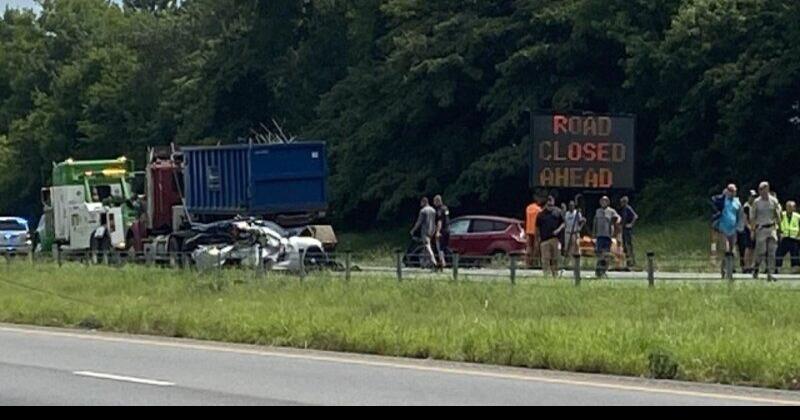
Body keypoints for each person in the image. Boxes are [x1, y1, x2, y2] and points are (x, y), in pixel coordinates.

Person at [750, 182, 781, 281]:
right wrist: (752, 230)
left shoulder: (774, 201)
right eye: (760, 189)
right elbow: (753, 217)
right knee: (761, 252)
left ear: (767, 189)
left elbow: (778, 215)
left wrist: (780, 229)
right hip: (761, 228)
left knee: (772, 252)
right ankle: (756, 267)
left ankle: (770, 273)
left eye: (764, 189)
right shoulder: (756, 202)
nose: (762, 191)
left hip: (771, 228)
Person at [714, 184, 745, 276]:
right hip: (722, 228)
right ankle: (727, 271)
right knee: (726, 249)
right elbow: (713, 202)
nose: (732, 193)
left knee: (731, 251)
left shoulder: (737, 202)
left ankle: (727, 268)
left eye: (734, 191)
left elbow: (740, 215)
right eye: (730, 190)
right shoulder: (722, 200)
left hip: (733, 230)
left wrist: (739, 227)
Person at [537, 196, 565, 277]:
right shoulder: (541, 214)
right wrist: (537, 239)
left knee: (555, 259)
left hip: (555, 239)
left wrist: (558, 230)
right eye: (548, 204)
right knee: (545, 260)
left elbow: (563, 223)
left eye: (551, 204)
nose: (550, 206)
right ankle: (547, 276)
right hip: (544, 240)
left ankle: (555, 275)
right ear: (546, 204)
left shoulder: (558, 212)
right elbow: (537, 228)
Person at [593, 196, 620, 278]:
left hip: (608, 235)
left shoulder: (611, 211)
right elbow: (595, 222)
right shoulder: (598, 211)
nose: (603, 202)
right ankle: (599, 270)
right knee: (599, 253)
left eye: (605, 201)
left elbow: (618, 218)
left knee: (606, 254)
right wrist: (593, 233)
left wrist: (616, 224)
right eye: (602, 201)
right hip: (599, 235)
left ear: (608, 202)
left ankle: (604, 270)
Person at [410, 197, 437, 268]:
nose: (420, 204)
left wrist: (413, 230)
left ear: (424, 202)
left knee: (427, 246)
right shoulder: (433, 210)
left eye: (421, 203)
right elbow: (434, 221)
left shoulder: (423, 211)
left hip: (425, 231)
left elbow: (419, 222)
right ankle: (425, 263)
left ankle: (433, 260)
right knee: (425, 247)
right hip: (432, 230)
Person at [777, 201, 800, 273]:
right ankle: (777, 268)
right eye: (788, 206)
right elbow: (778, 224)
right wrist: (779, 233)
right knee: (779, 253)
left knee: (795, 255)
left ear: (794, 208)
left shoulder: (798, 216)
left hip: (794, 239)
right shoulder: (782, 215)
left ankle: (795, 270)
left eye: (791, 207)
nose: (789, 208)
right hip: (784, 238)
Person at [738, 190, 758, 273]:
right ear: (748, 197)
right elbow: (745, 220)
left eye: (754, 197)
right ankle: (746, 265)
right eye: (752, 196)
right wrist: (750, 229)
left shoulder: (755, 206)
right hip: (747, 229)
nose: (753, 198)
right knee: (748, 247)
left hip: (754, 228)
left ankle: (751, 265)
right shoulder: (746, 207)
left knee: (753, 248)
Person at [619, 196, 639, 269]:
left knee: (629, 245)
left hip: (628, 230)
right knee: (624, 245)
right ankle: (628, 262)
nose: (621, 203)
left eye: (622, 202)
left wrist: (630, 224)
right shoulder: (623, 210)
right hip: (623, 229)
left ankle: (632, 262)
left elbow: (635, 216)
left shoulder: (628, 208)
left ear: (625, 202)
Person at [433, 195, 451, 271]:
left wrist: (437, 232)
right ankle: (449, 261)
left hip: (442, 231)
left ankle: (442, 263)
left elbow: (440, 221)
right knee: (445, 247)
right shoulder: (446, 208)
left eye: (434, 201)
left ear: (438, 201)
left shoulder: (439, 210)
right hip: (448, 230)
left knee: (440, 248)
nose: (434, 203)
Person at [525, 196, 543, 268]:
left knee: (529, 247)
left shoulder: (528, 208)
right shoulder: (539, 209)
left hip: (528, 229)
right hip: (536, 230)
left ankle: (528, 263)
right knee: (536, 247)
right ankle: (534, 262)